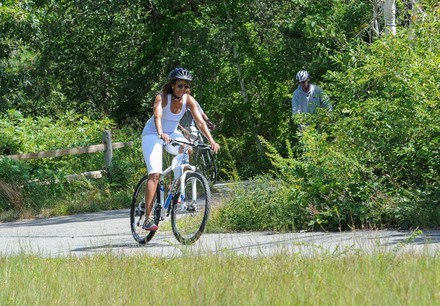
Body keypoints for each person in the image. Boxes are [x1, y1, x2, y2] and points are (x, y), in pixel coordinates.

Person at [141, 67, 220, 231]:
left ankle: (176, 185)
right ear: (172, 85)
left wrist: (211, 141)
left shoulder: (188, 100)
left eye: (185, 86)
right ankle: (148, 219)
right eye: (180, 86)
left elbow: (200, 122)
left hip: (171, 134)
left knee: (188, 148)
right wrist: (161, 132)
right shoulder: (162, 98)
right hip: (153, 134)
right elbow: (158, 116)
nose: (183, 89)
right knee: (155, 174)